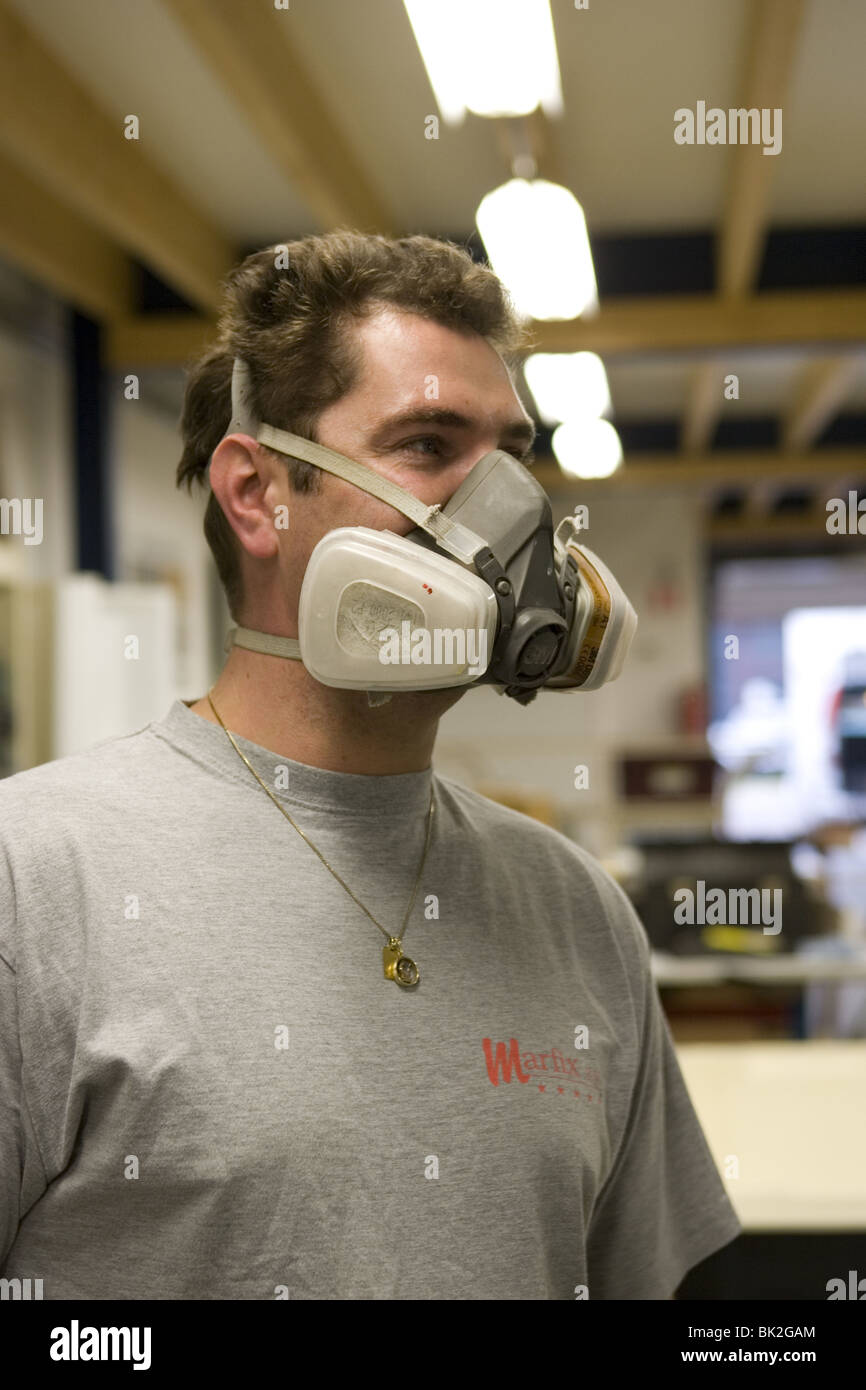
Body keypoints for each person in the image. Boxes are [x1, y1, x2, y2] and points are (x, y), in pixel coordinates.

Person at [0, 232, 740, 1299]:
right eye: (429, 445)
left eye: (510, 457)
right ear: (258, 495)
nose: (508, 517)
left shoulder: (575, 909)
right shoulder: (34, 882)